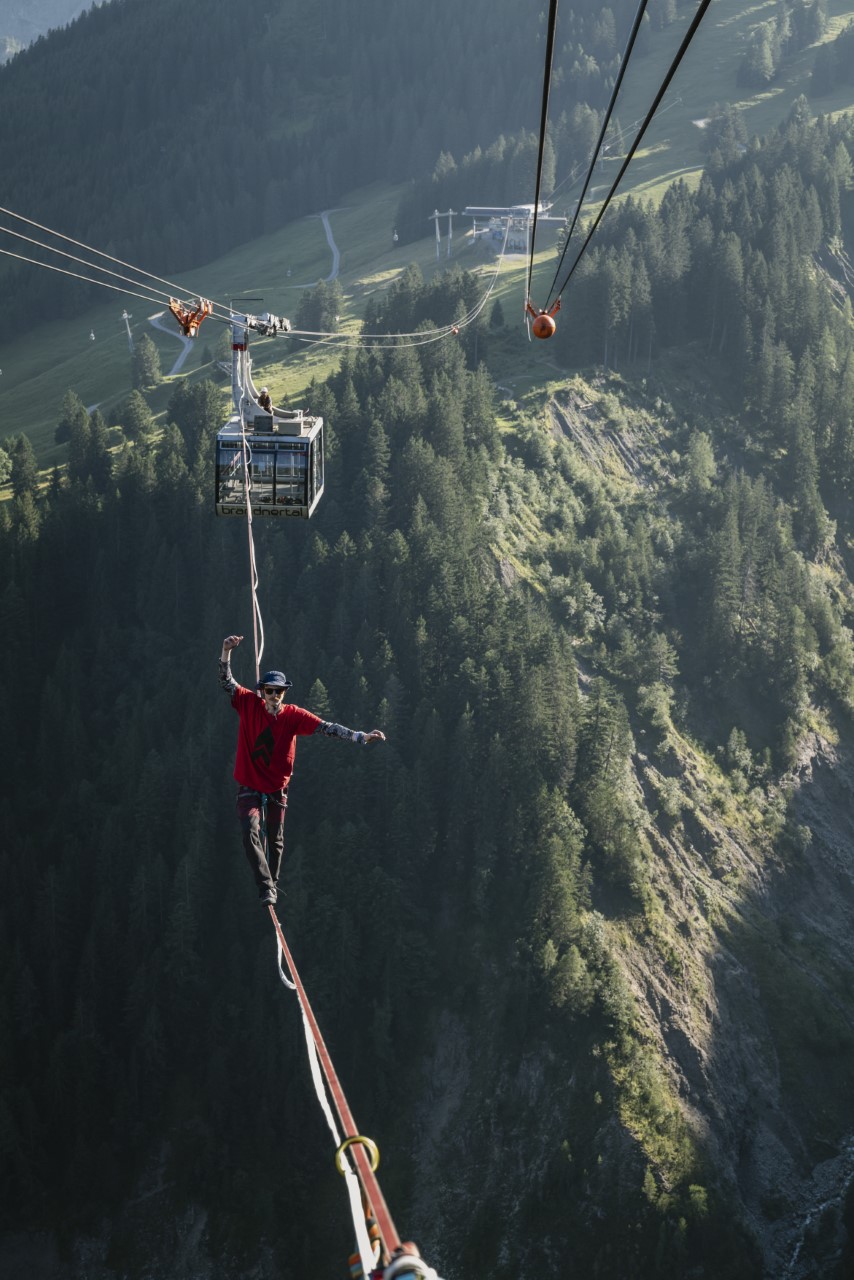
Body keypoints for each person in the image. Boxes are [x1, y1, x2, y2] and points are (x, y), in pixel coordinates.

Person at [219, 635, 385, 906]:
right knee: (249, 831)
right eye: (270, 691)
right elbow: (227, 682)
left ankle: (272, 884)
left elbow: (326, 728)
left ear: (284, 693)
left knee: (276, 840)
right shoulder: (249, 704)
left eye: (279, 691)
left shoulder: (294, 716)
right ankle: (265, 886)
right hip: (250, 783)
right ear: (262, 692)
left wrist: (360, 737)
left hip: (276, 787)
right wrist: (226, 651)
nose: (275, 696)